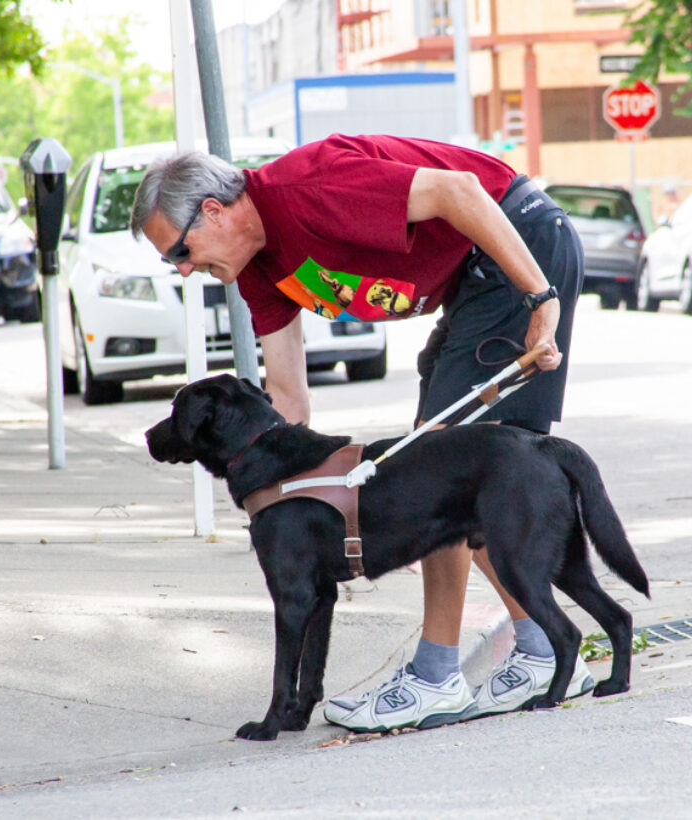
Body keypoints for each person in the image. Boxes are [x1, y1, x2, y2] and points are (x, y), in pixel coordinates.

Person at [130, 134, 592, 731]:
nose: (185, 270)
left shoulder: (307, 189)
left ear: (213, 210)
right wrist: (289, 509)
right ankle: (540, 650)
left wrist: (541, 298)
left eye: (180, 251)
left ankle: (439, 677)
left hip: (517, 245)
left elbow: (462, 192)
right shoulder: (258, 271)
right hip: (472, 281)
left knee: (444, 475)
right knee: (463, 486)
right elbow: (287, 401)